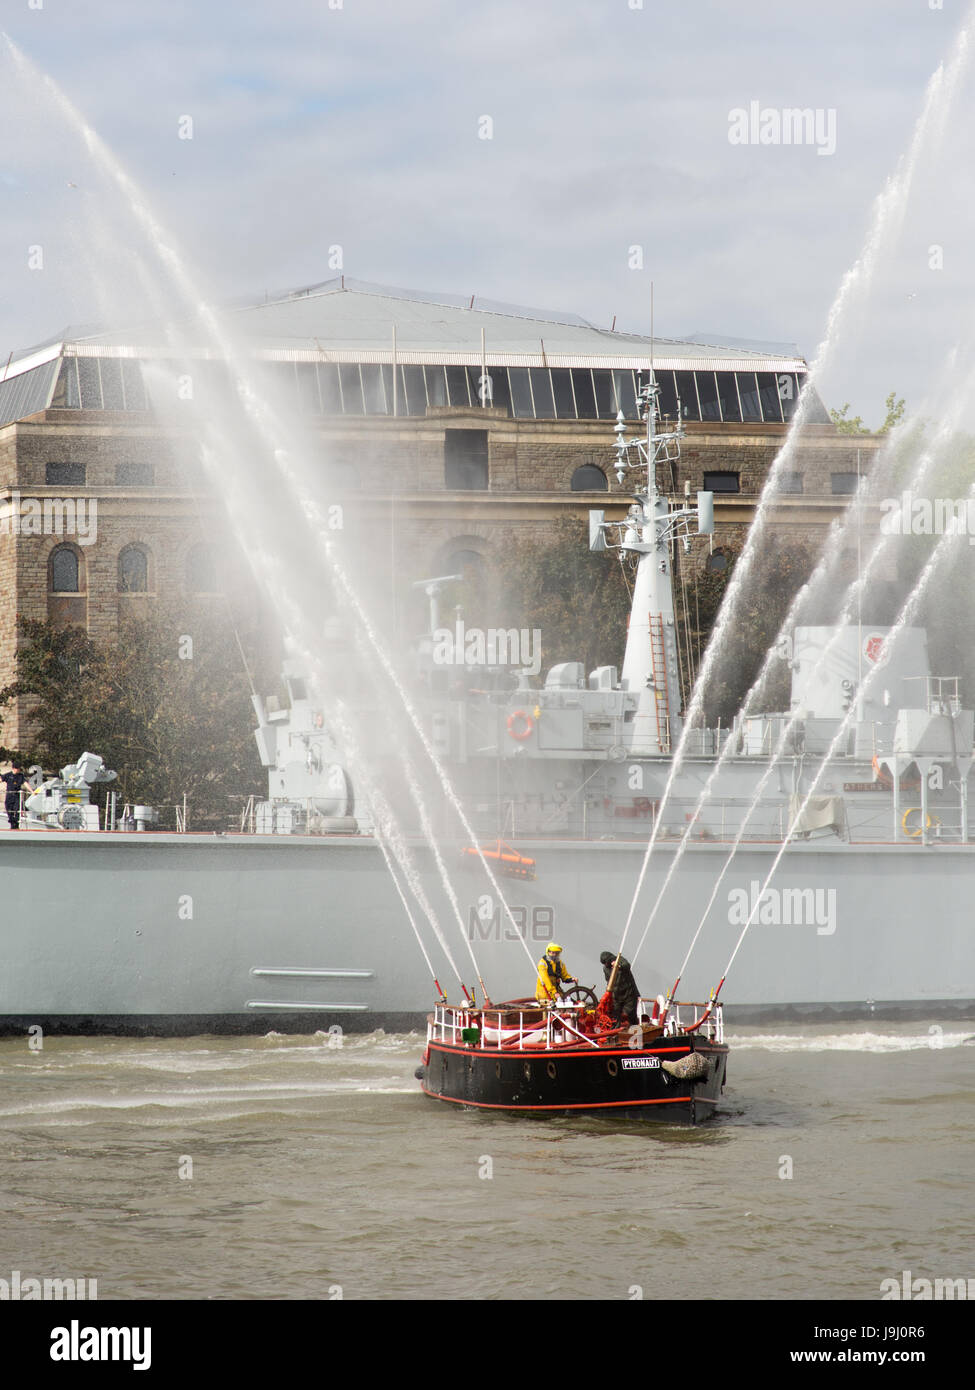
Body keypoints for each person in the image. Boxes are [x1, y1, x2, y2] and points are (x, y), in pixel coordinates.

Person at [599, 950, 641, 1024]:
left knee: (629, 1014)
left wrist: (618, 965)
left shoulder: (619, 960)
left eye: (606, 962)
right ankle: (615, 1031)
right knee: (616, 1015)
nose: (606, 964)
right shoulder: (605, 969)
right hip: (616, 996)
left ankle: (634, 1030)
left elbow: (627, 965)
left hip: (629, 993)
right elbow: (608, 980)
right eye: (604, 963)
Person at [2, 764, 29, 830]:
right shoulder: (8, 775)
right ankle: (12, 823)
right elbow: (1, 779)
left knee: (17, 810)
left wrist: (32, 791)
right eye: (18, 768)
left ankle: (16, 824)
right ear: (14, 768)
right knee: (8, 809)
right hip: (9, 795)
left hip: (17, 796)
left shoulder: (21, 776)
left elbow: (25, 784)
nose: (19, 770)